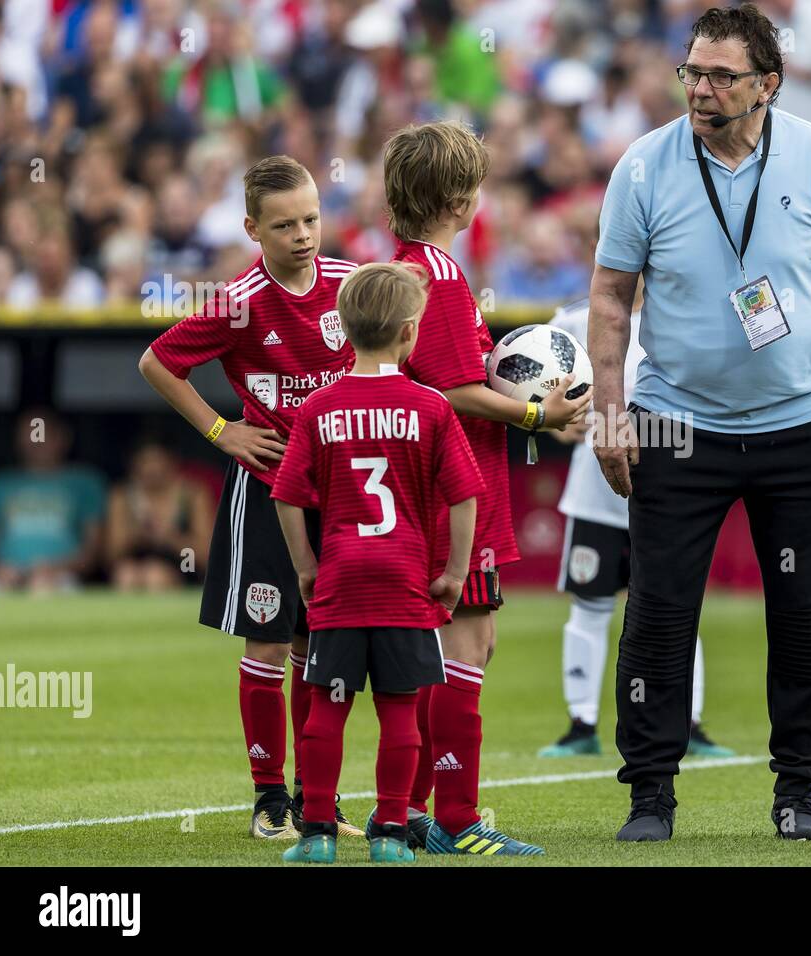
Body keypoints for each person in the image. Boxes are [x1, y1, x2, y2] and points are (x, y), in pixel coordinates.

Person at [589, 3, 811, 842]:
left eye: (722, 76)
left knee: (804, 618)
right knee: (657, 614)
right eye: (692, 72)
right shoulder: (643, 166)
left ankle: (800, 794)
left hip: (804, 420)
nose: (702, 89)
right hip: (674, 420)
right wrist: (612, 416)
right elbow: (611, 300)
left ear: (768, 85)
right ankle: (650, 795)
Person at [139, 155, 363, 840]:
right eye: (285, 224)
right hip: (267, 489)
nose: (303, 234)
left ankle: (314, 798)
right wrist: (220, 431)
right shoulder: (238, 302)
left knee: (319, 650)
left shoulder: (350, 285)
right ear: (252, 229)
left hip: (343, 491)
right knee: (267, 642)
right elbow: (158, 361)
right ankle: (270, 801)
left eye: (312, 219)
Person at [383, 120, 590, 855]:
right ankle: (458, 819)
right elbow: (455, 390)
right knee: (464, 650)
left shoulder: (415, 266)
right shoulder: (435, 275)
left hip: (445, 489)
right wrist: (538, 412)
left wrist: (540, 418)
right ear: (462, 198)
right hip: (452, 494)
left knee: (460, 648)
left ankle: (409, 813)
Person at [270, 262, 483, 864]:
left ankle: (315, 835)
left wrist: (307, 568)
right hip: (404, 586)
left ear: (342, 328)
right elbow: (465, 495)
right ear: (411, 333)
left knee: (325, 711)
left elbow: (286, 494)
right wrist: (455, 574)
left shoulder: (318, 407)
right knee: (398, 714)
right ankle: (390, 834)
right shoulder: (432, 407)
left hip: (339, 584)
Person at [540, 295, 734, 759]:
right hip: (595, 495)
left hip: (670, 490)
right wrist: (553, 424)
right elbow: (538, 387)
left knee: (678, 606)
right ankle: (580, 724)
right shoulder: (571, 318)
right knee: (588, 606)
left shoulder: (687, 307)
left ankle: (690, 722)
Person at [0, 409, 105, 592]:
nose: (34, 442)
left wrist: (56, 569)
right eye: (27, 435)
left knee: (46, 590)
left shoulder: (84, 482)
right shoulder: (1, 483)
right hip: (2, 576)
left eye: (41, 433)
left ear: (62, 437)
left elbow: (92, 552)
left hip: (62, 576)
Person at [106, 440, 213, 591]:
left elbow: (205, 555)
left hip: (184, 564)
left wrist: (168, 537)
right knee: (125, 575)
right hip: (136, 562)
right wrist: (138, 535)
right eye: (144, 461)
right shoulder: (122, 495)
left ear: (172, 461)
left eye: (156, 460)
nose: (151, 468)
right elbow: (110, 555)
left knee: (155, 575)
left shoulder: (192, 494)